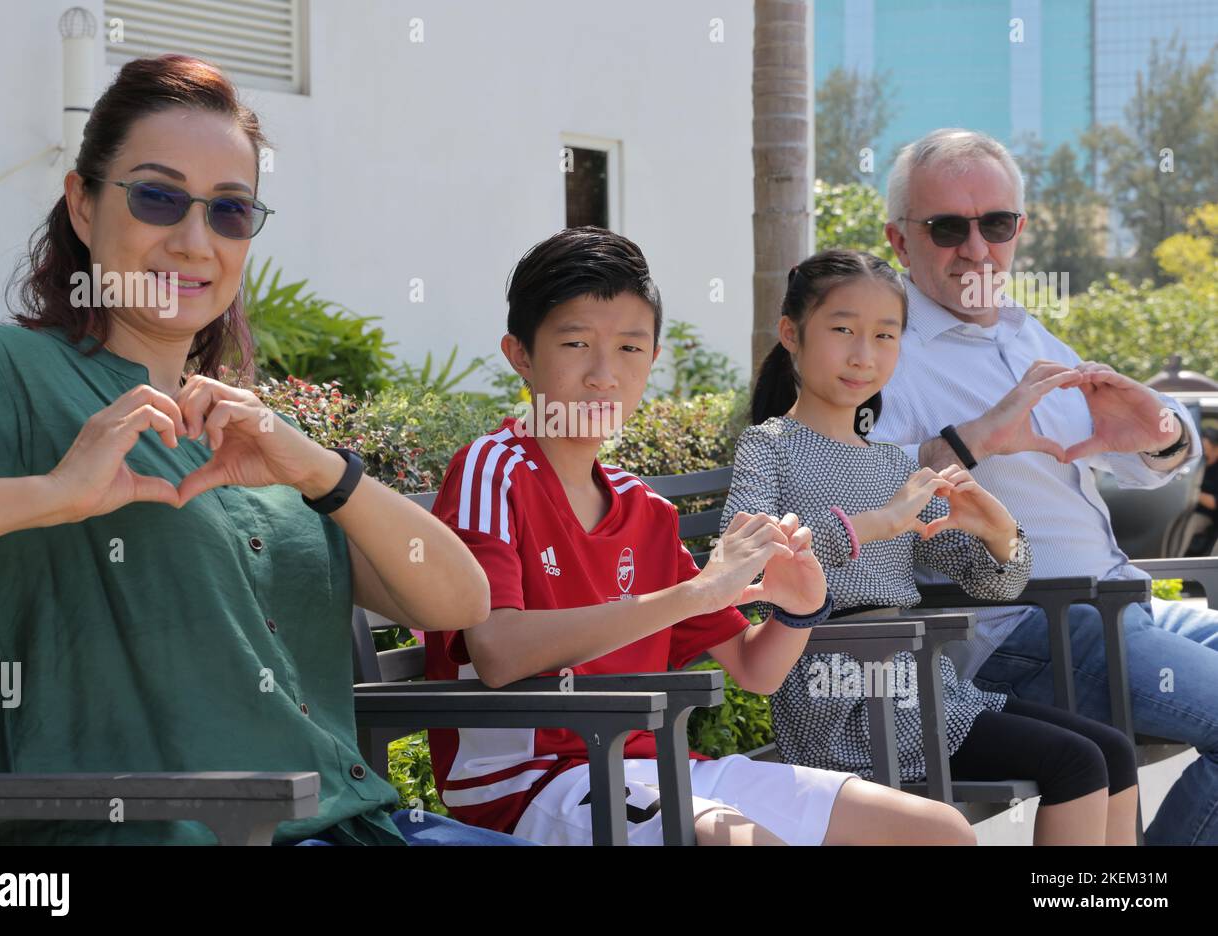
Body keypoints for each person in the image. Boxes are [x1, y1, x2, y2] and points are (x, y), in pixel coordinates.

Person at [0, 54, 520, 846]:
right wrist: (55, 494)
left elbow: (459, 602)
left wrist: (322, 471)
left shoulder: (249, 436)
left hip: (361, 828)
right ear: (83, 204)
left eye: (230, 211)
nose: (195, 240)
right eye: (158, 197)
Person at [420, 226, 976, 845]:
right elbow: (497, 651)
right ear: (520, 354)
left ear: (653, 360)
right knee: (741, 842)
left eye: (631, 349)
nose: (605, 375)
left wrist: (797, 608)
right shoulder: (492, 469)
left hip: (660, 769)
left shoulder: (645, 511)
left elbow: (755, 669)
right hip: (532, 786)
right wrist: (699, 592)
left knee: (935, 831)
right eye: (576, 343)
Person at [866, 127, 1218, 845]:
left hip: (1121, 606)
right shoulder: (882, 351)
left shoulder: (1024, 335)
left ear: (1018, 229)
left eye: (995, 224)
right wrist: (969, 441)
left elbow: (1142, 438)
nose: (976, 248)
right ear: (900, 242)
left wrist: (1160, 432)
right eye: (946, 227)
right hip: (1026, 629)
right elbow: (854, 488)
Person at [725, 248, 1138, 844]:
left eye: (885, 335)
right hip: (842, 695)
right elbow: (747, 560)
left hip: (921, 687)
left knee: (1112, 753)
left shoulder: (894, 461)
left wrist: (998, 533)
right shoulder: (770, 445)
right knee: (1076, 764)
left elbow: (991, 583)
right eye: (842, 330)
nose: (863, 355)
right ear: (791, 333)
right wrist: (876, 523)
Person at [1184, 426, 1218, 557]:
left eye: (1206, 452)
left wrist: (1193, 493)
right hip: (1187, 509)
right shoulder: (1197, 464)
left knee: (1190, 524)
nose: (1202, 456)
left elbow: (1214, 503)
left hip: (1209, 517)